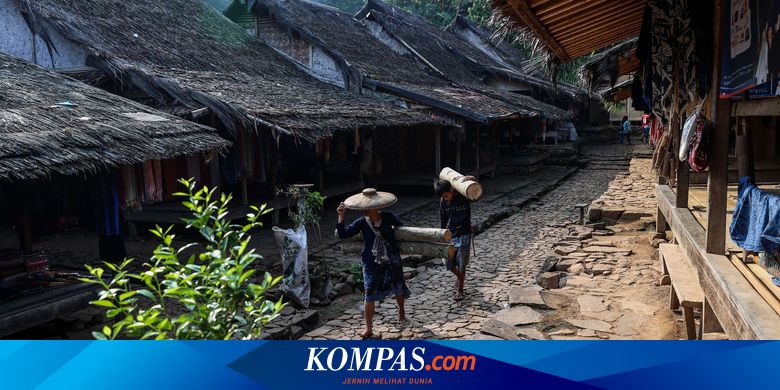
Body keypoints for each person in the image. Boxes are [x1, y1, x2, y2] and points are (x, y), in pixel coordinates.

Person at [336, 188, 410, 339]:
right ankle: (368, 327)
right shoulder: (362, 222)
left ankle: (401, 310)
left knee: (397, 286)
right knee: (369, 293)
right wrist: (341, 216)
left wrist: (401, 247)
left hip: (391, 259)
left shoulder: (388, 217)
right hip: (371, 262)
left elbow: (403, 230)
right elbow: (343, 234)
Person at [434, 177, 476, 301]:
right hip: (451, 235)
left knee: (462, 263)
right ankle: (458, 276)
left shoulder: (464, 197)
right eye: (443, 197)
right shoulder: (443, 201)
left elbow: (476, 193)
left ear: (451, 190)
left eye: (446, 195)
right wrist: (442, 235)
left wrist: (472, 178)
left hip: (464, 234)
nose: (445, 199)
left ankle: (460, 290)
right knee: (448, 263)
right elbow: (443, 219)